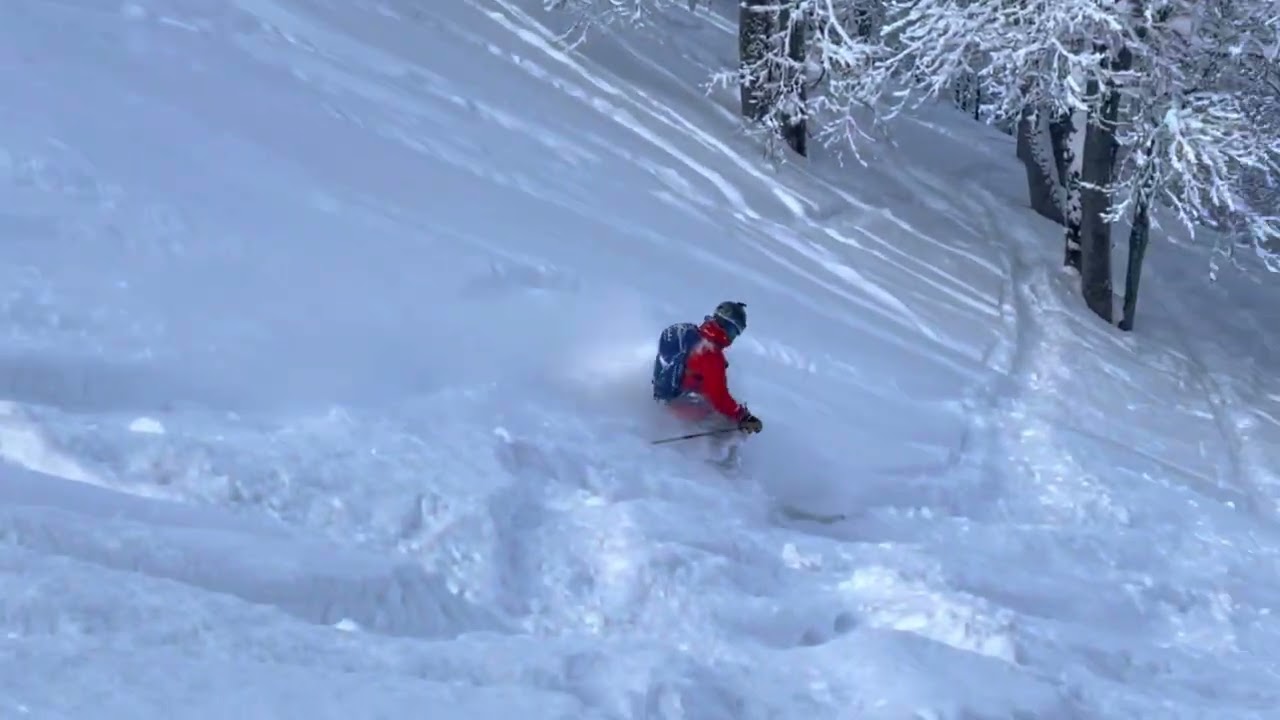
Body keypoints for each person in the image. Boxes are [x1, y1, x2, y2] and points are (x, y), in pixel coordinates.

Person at [651, 301, 763, 437]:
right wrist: (743, 417)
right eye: (733, 331)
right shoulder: (712, 356)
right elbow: (719, 398)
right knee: (727, 424)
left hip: (661, 391)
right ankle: (710, 455)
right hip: (678, 406)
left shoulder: (687, 331)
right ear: (724, 324)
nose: (732, 338)